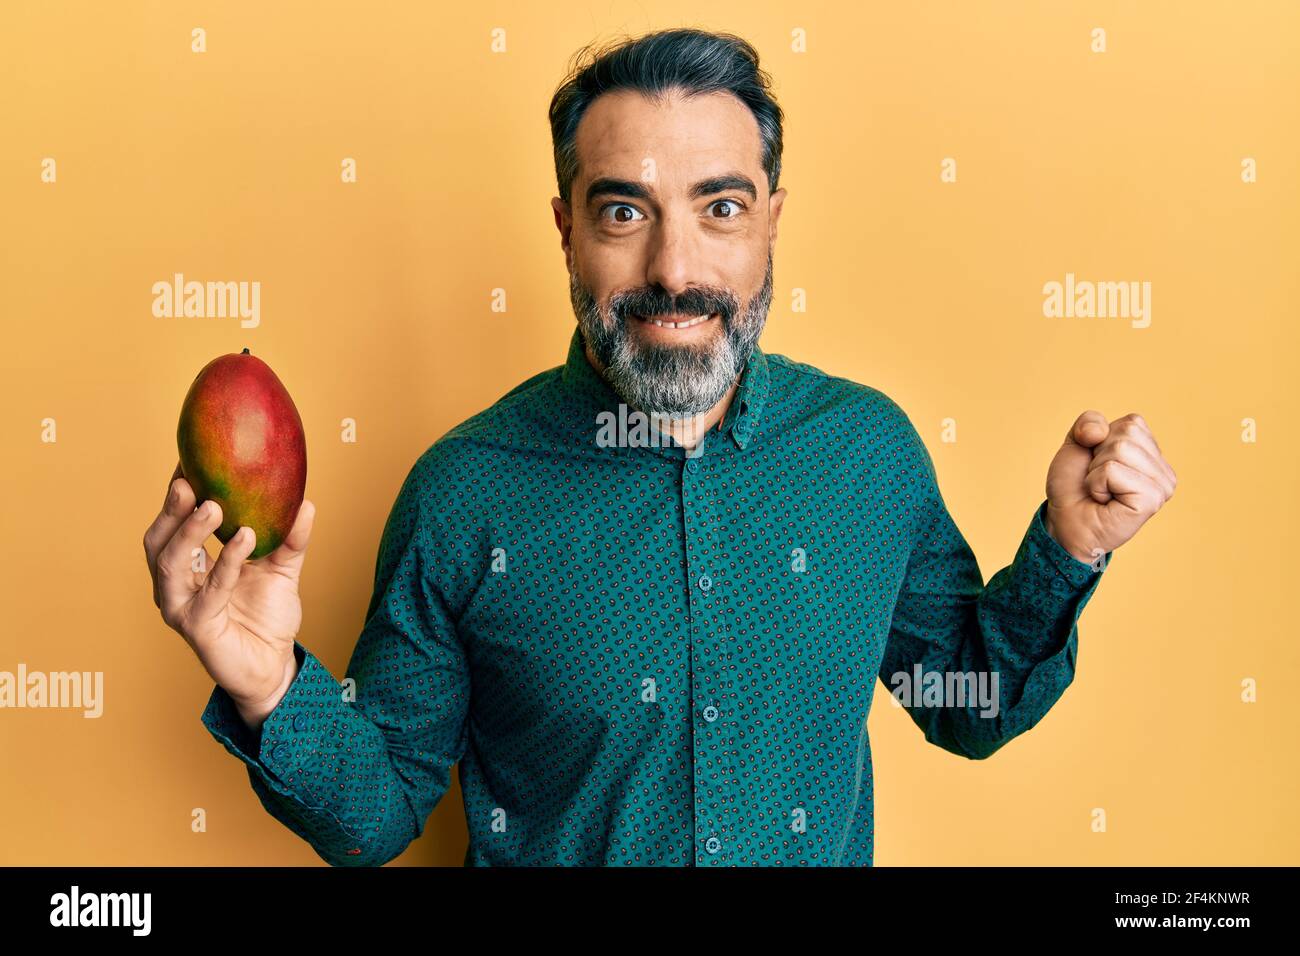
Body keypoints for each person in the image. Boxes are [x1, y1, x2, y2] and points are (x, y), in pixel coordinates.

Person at [142, 28, 1176, 866]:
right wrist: (270, 684)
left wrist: (1066, 548)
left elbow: (967, 703)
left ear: (772, 220)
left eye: (720, 208)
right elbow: (375, 814)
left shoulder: (868, 454)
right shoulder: (463, 492)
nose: (673, 267)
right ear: (564, 230)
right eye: (624, 210)